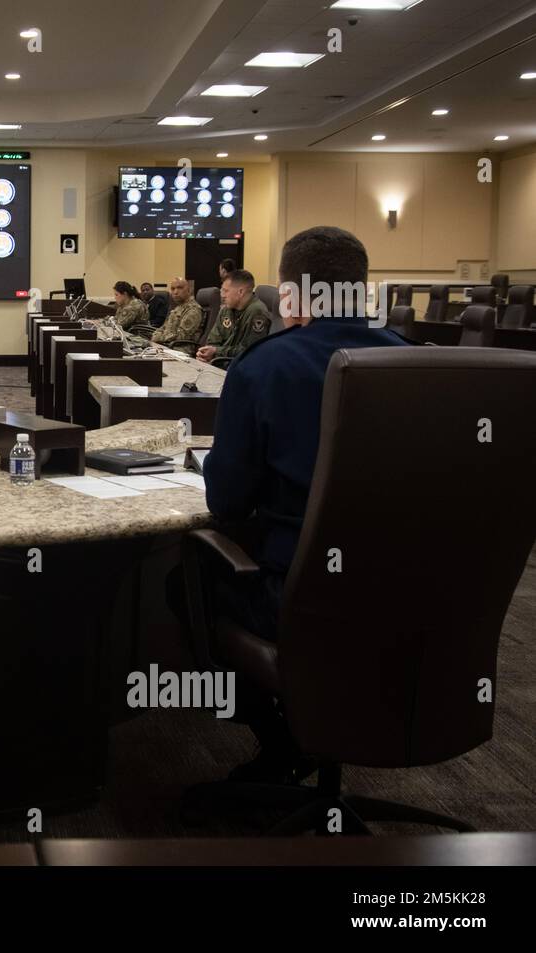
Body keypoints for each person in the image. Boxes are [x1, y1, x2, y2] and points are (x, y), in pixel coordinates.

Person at [201, 226, 411, 782]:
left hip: (298, 594)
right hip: (414, 590)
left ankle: (283, 744)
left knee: (189, 581)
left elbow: (226, 502)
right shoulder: (416, 363)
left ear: (289, 293)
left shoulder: (264, 366)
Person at [197, 269, 270, 368]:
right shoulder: (226, 310)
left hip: (240, 370)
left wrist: (216, 352)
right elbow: (213, 341)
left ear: (240, 292)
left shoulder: (257, 312)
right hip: (220, 365)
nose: (222, 295)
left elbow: (249, 351)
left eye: (226, 291)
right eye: (222, 290)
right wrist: (206, 354)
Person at [150, 276, 203, 356]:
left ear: (189, 290)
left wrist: (158, 338)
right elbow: (163, 328)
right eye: (173, 289)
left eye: (180, 288)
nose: (175, 292)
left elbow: (182, 336)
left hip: (180, 351)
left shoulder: (193, 309)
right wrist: (156, 335)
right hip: (167, 347)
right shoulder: (177, 308)